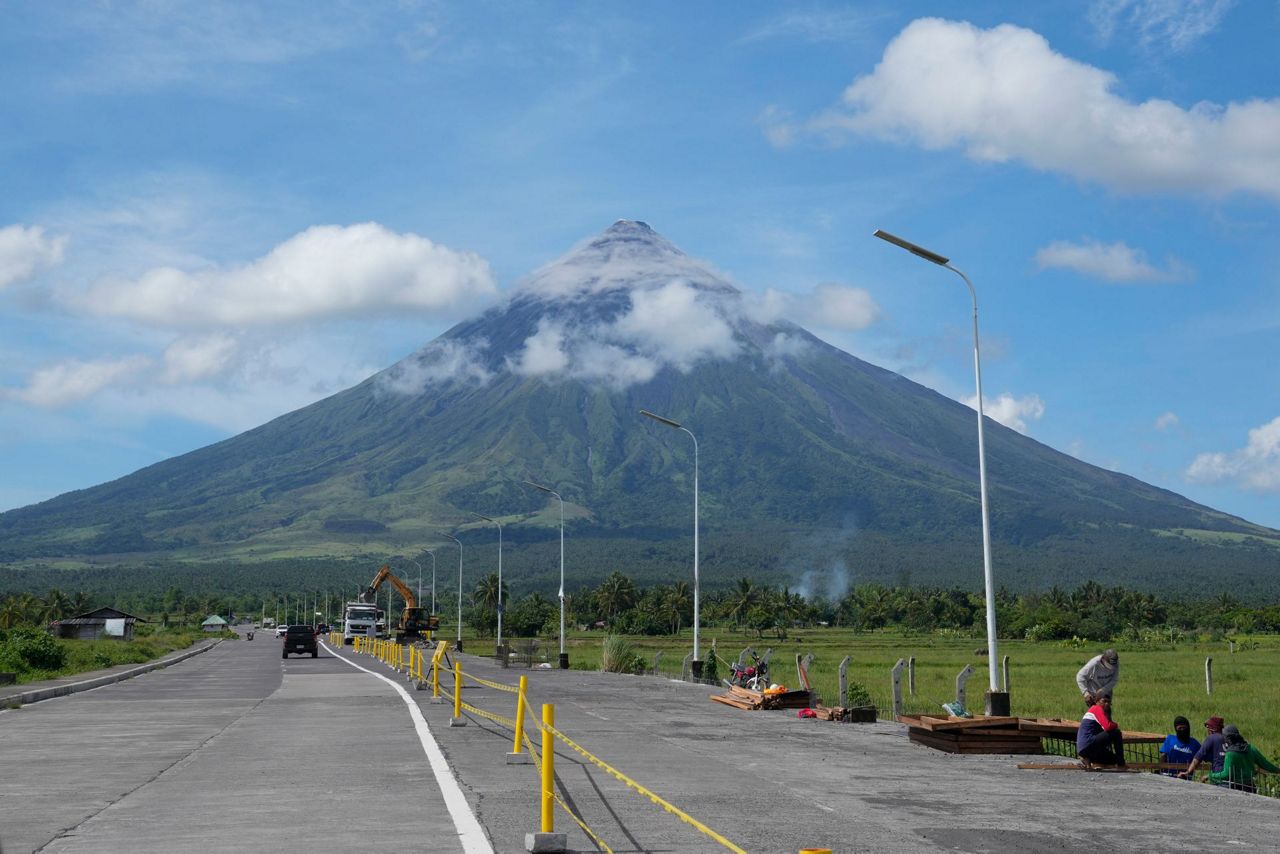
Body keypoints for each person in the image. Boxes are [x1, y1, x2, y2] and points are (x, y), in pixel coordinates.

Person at [1208, 725, 1279, 793]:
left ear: (1228, 738)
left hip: (1236, 788)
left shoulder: (1230, 754)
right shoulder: (1251, 749)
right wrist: (1278, 770)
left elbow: (1226, 774)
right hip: (1250, 787)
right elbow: (1265, 764)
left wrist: (1211, 775)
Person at [1077, 691, 1125, 767]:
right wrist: (1116, 725)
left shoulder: (1097, 710)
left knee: (1113, 759)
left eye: (1109, 702)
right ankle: (1121, 764)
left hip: (1085, 749)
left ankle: (1087, 759)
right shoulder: (1096, 709)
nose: (1107, 704)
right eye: (1104, 701)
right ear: (1097, 701)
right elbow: (1107, 727)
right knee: (1116, 733)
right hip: (1088, 745)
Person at [1179, 716, 1227, 781]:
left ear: (1211, 729)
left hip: (1219, 777)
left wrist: (1188, 772)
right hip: (1231, 776)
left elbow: (1198, 757)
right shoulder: (1228, 738)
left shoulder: (1211, 738)